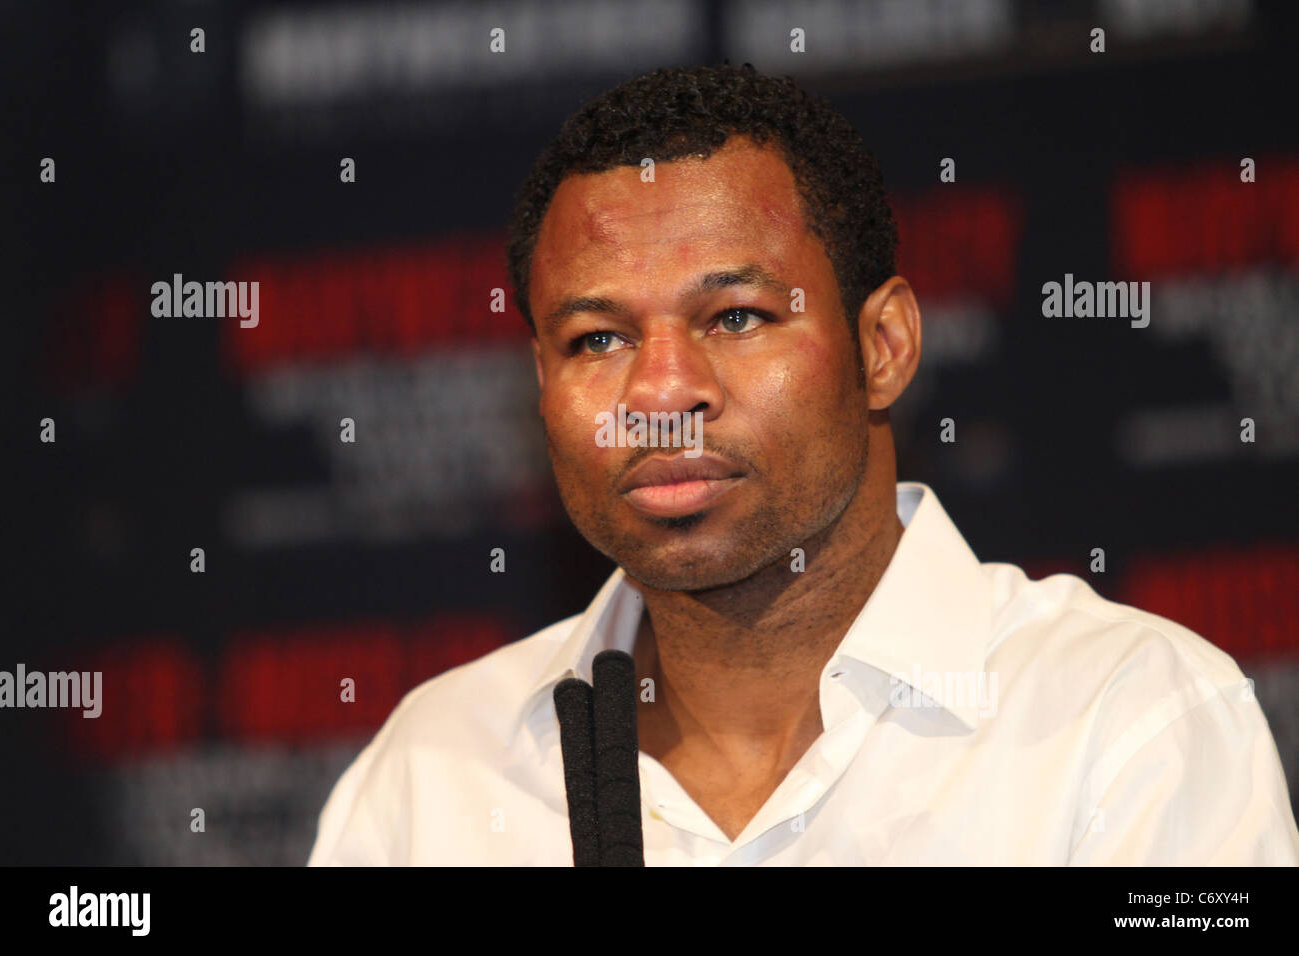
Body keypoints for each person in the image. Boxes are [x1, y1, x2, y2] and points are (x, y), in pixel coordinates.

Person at [308, 64, 1299, 865]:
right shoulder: (432, 776)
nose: (659, 393)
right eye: (597, 339)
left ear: (885, 345)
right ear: (539, 381)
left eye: (735, 317)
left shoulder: (1121, 722)